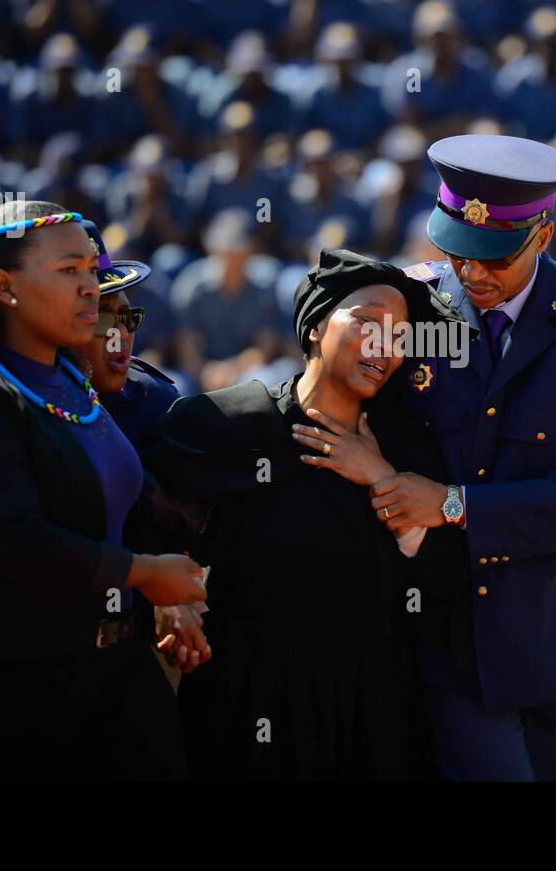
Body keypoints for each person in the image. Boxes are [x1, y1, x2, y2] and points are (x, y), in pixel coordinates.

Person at [0, 196, 205, 780]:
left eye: (92, 270)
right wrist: (147, 573)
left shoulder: (74, 380)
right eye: (69, 271)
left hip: (108, 669)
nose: (93, 289)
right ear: (4, 286)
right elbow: (17, 544)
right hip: (6, 692)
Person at [387, 133, 556, 781]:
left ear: (542, 236)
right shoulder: (412, 314)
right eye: (458, 253)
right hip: (451, 640)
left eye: (493, 257)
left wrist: (454, 505)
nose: (471, 272)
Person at [145, 248, 465, 781]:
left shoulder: (409, 450)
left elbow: (444, 576)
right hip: (246, 696)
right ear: (315, 327)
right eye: (367, 323)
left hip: (371, 708)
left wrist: (383, 479)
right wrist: (167, 592)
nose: (384, 345)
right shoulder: (228, 421)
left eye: (400, 335)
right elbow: (148, 506)